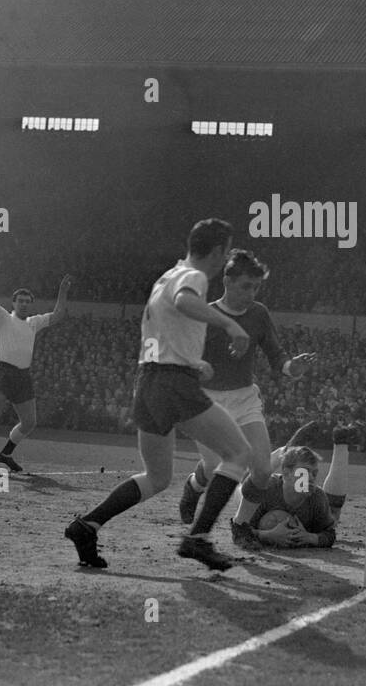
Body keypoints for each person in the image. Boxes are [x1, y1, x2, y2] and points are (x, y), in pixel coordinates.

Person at [64, 219, 256, 572]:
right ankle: (197, 539)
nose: (225, 258)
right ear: (216, 251)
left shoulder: (166, 276)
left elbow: (166, 327)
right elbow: (184, 303)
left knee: (157, 478)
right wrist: (229, 324)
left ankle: (86, 525)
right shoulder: (194, 277)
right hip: (171, 383)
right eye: (225, 251)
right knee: (239, 453)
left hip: (149, 380)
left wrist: (192, 362)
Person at [176, 249, 317, 548]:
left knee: (263, 470)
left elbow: (276, 356)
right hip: (208, 402)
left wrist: (294, 368)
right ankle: (193, 487)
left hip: (244, 399)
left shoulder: (258, 314)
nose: (251, 293)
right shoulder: (207, 315)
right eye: (245, 286)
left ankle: (240, 526)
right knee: (214, 467)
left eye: (256, 287)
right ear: (227, 281)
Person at [0, 262, 72, 473]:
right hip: (3, 373)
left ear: (30, 304)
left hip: (23, 376)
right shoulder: (4, 317)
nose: (23, 304)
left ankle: (5, 454)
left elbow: (58, 314)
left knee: (29, 422)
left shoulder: (34, 322)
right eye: (20, 301)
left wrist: (62, 291)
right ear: (13, 303)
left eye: (27, 301)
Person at [242, 443, 341, 548]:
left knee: (334, 513)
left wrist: (310, 537)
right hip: (247, 493)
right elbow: (241, 530)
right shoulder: (266, 489)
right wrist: (267, 535)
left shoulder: (317, 496)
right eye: (304, 471)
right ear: (286, 473)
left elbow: (329, 534)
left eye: (314, 473)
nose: (311, 478)